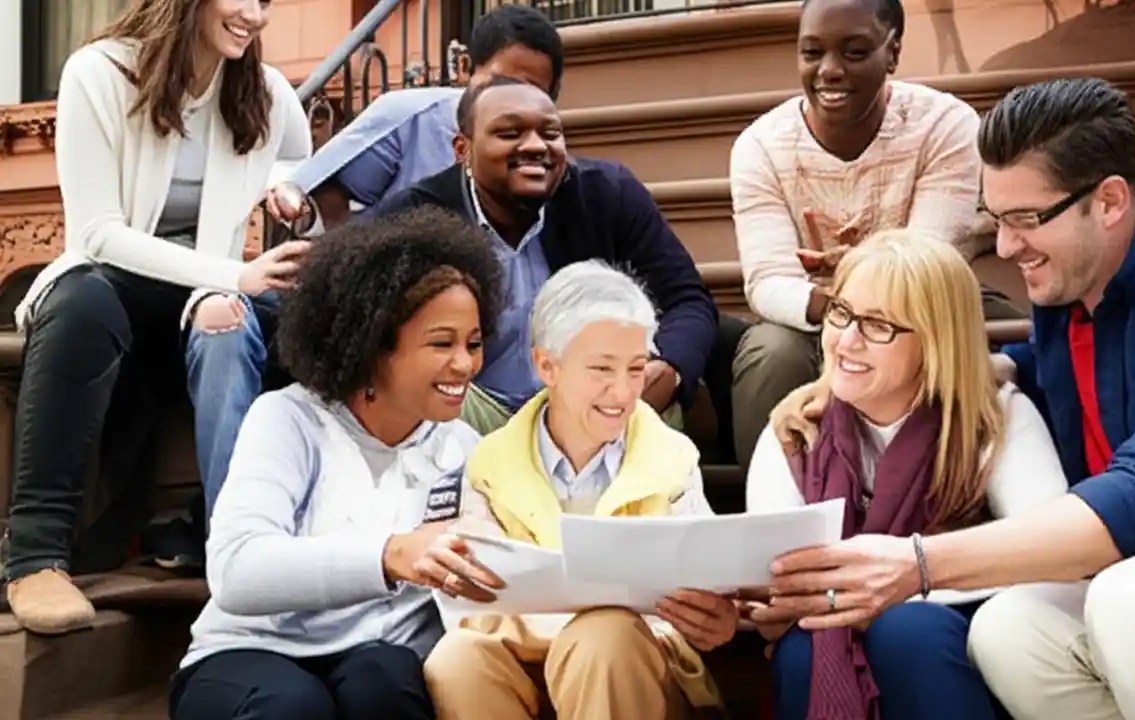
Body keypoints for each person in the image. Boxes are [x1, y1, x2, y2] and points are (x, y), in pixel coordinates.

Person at [761, 77, 1135, 720]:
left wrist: (918, 562)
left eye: (1026, 220)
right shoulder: (1072, 296)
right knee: (1009, 630)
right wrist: (904, 360)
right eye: (997, 220)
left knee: (1134, 597)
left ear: (1111, 201)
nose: (1006, 247)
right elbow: (1025, 371)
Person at [3, 0, 312, 634]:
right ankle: (34, 558)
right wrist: (232, 277)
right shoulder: (98, 74)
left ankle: (248, 532)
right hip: (115, 285)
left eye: (266, 1)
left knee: (318, 322)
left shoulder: (269, 92)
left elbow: (292, 171)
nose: (254, 15)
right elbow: (97, 234)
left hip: (207, 297)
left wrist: (294, 203)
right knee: (79, 300)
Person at [168, 205, 504, 719]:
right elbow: (236, 571)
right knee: (294, 706)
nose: (465, 364)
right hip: (249, 653)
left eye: (473, 343)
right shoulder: (288, 419)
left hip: (377, 659)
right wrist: (389, 556)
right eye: (442, 343)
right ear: (373, 346)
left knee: (387, 682)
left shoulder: (468, 451)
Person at [747, 230, 1064, 720]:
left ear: (936, 341)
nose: (847, 340)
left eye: (877, 325)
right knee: (803, 651)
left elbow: (1050, 551)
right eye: (841, 313)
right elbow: (779, 588)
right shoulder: (794, 430)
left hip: (955, 630)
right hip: (832, 626)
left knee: (908, 629)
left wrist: (902, 587)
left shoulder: (994, 419)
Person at [423, 260, 736, 719]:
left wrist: (716, 616)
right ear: (547, 366)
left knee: (603, 637)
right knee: (457, 659)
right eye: (602, 369)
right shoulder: (488, 465)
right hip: (526, 671)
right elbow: (472, 611)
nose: (623, 391)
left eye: (636, 368)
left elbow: (707, 588)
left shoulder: (672, 459)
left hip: (637, 672)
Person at [373, 76, 718, 436]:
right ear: (463, 150)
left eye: (550, 134)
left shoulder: (607, 193)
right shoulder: (417, 218)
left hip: (587, 405)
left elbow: (687, 299)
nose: (536, 146)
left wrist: (670, 367)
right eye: (509, 134)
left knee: (657, 408)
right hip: (472, 413)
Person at [728, 0, 992, 463]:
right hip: (813, 318)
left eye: (853, 52)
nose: (828, 71)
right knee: (770, 353)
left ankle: (955, 497)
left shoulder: (945, 126)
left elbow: (926, 265)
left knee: (981, 331)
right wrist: (844, 311)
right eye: (812, 53)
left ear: (892, 53)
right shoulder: (760, 146)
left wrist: (856, 286)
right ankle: (772, 509)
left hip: (924, 307)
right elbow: (767, 281)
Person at [280, 3, 563, 229]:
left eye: (532, 91)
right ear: (465, 67)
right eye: (501, 83)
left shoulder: (551, 163)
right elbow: (332, 193)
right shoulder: (408, 118)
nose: (511, 101)